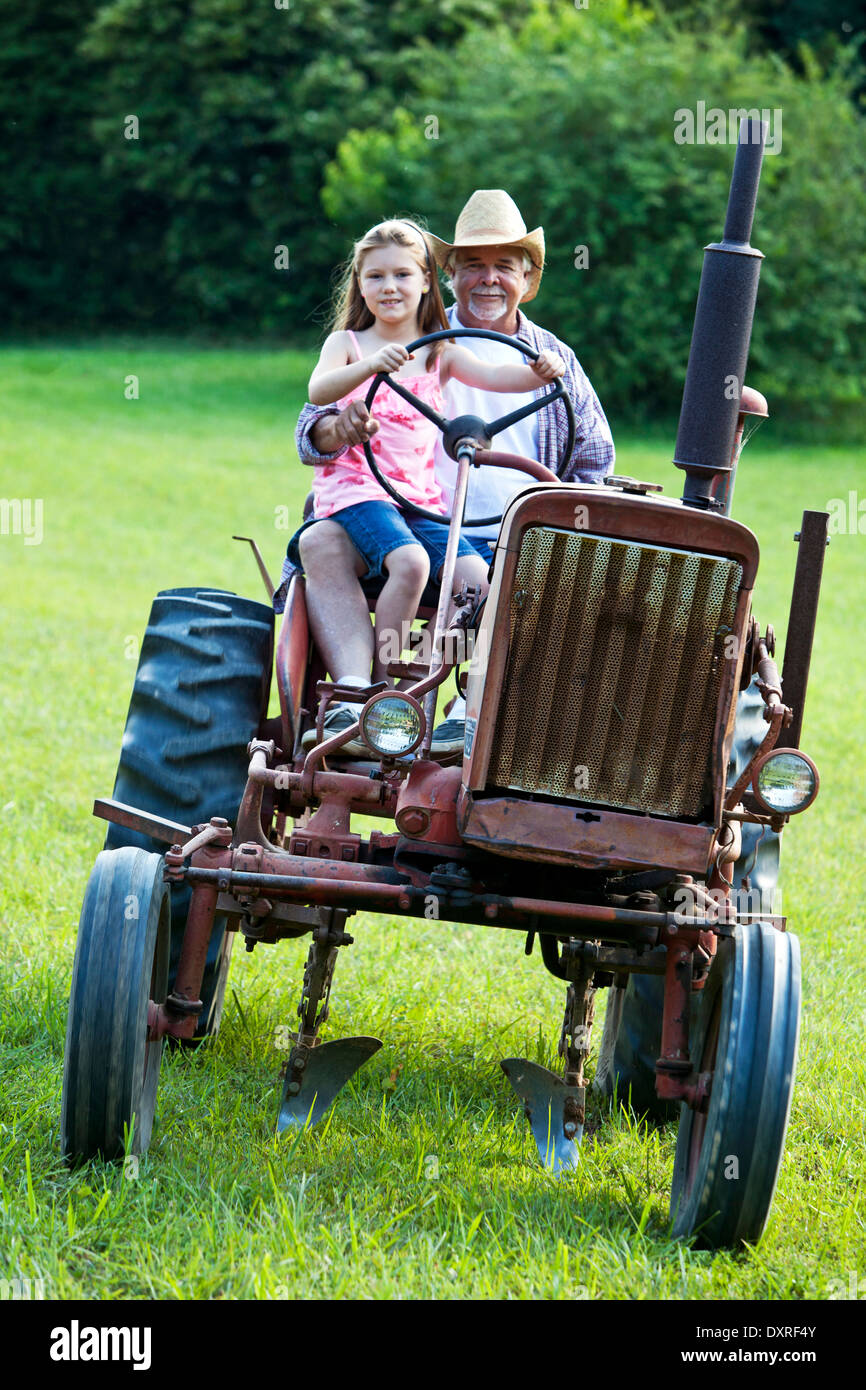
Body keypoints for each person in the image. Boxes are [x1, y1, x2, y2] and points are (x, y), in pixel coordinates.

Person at [281, 191, 615, 753]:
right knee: (321, 541)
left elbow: (594, 463)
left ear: (527, 279)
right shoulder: (412, 338)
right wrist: (339, 429)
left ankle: (456, 710)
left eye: (504, 267)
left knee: (521, 584)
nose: (488, 280)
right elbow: (312, 424)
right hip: (395, 512)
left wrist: (561, 530)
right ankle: (357, 699)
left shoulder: (553, 360)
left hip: (509, 538)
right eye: (473, 266)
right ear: (448, 274)